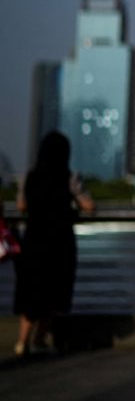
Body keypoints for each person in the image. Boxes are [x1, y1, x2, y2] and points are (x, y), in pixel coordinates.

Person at [13, 132, 94, 356]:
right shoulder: (70, 177)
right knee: (54, 291)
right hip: (59, 242)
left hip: (33, 240)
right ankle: (39, 340)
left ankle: (22, 341)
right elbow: (89, 205)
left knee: (31, 290)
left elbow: (20, 206)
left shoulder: (28, 176)